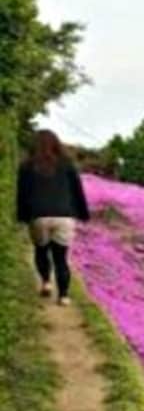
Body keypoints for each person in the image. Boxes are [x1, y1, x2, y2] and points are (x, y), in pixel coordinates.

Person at [16, 129, 90, 306]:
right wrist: (83, 213)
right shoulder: (67, 164)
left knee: (41, 251)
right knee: (61, 258)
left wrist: (23, 216)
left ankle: (46, 283)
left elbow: (22, 194)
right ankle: (63, 296)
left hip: (38, 215)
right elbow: (77, 191)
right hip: (64, 216)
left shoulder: (27, 165)